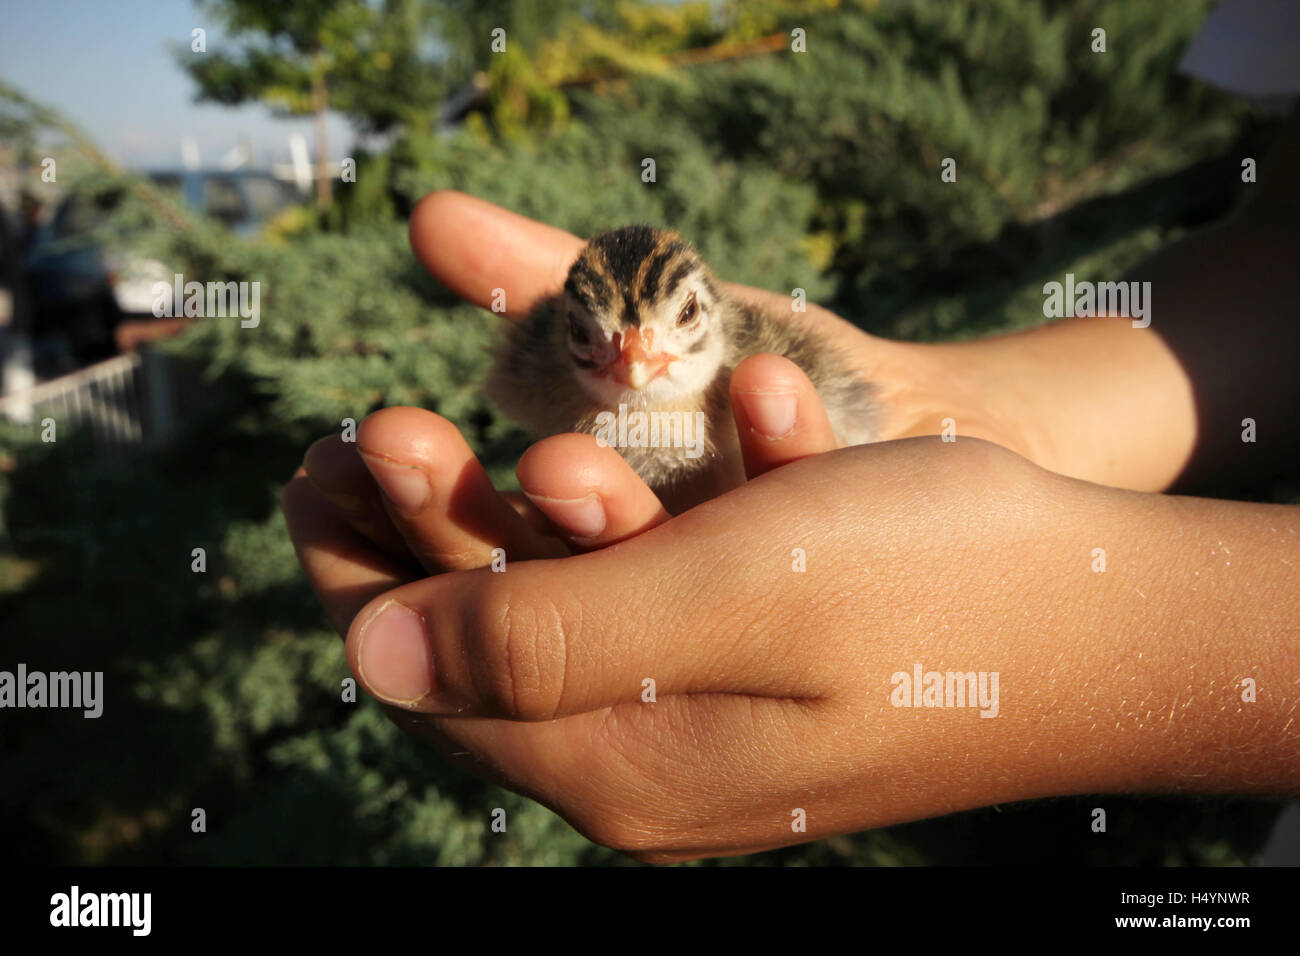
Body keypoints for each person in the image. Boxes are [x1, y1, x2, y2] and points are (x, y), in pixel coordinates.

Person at [283, 52, 1300, 867]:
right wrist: (999, 415)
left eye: (670, 333)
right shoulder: (549, 367)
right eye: (597, 346)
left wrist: (1098, 655)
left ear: (709, 322)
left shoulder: (745, 370)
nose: (635, 370)